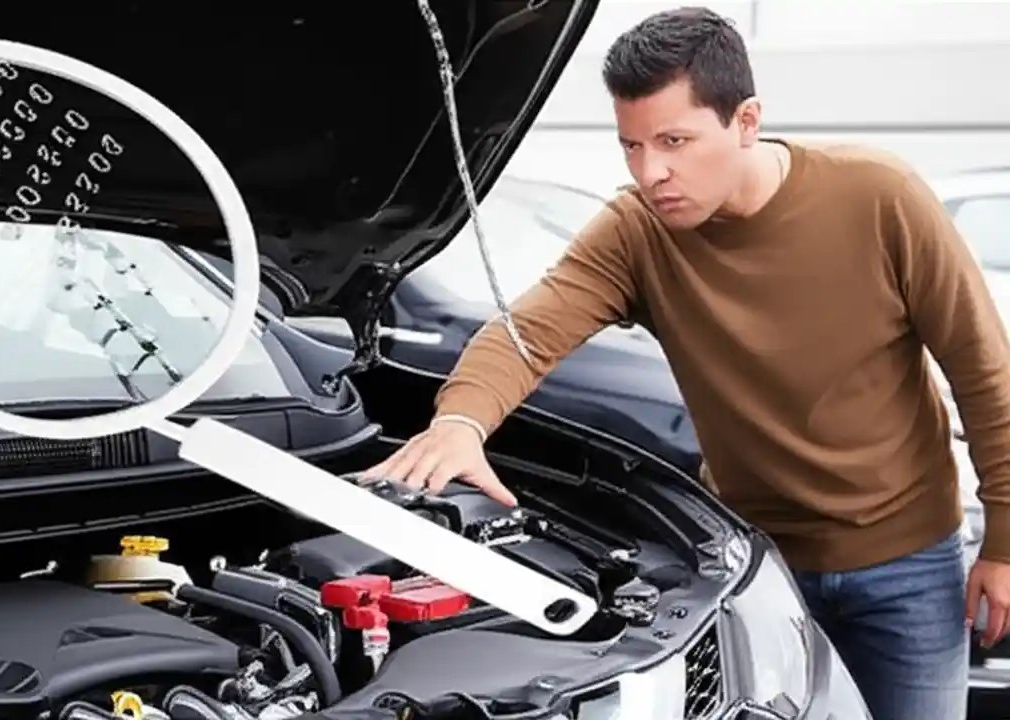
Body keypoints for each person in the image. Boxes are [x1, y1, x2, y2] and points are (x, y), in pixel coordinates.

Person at [362, 6, 1010, 719]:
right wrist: (460, 422)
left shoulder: (881, 197)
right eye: (632, 146)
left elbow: (985, 374)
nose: (651, 172)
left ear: (746, 121)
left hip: (908, 568)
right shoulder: (637, 231)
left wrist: (1005, 544)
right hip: (761, 574)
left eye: (674, 141)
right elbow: (528, 331)